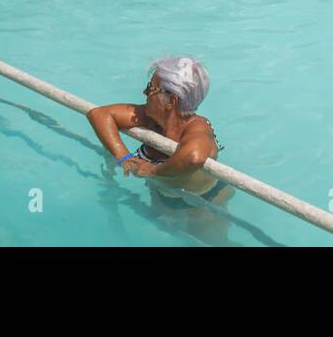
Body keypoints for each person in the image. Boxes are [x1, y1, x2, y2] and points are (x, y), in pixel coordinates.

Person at [87, 56, 234, 240]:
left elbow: (194, 157)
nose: (144, 92)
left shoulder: (197, 127)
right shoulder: (151, 118)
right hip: (163, 197)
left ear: (171, 101)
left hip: (204, 201)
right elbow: (99, 114)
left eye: (151, 88)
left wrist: (153, 170)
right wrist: (124, 156)